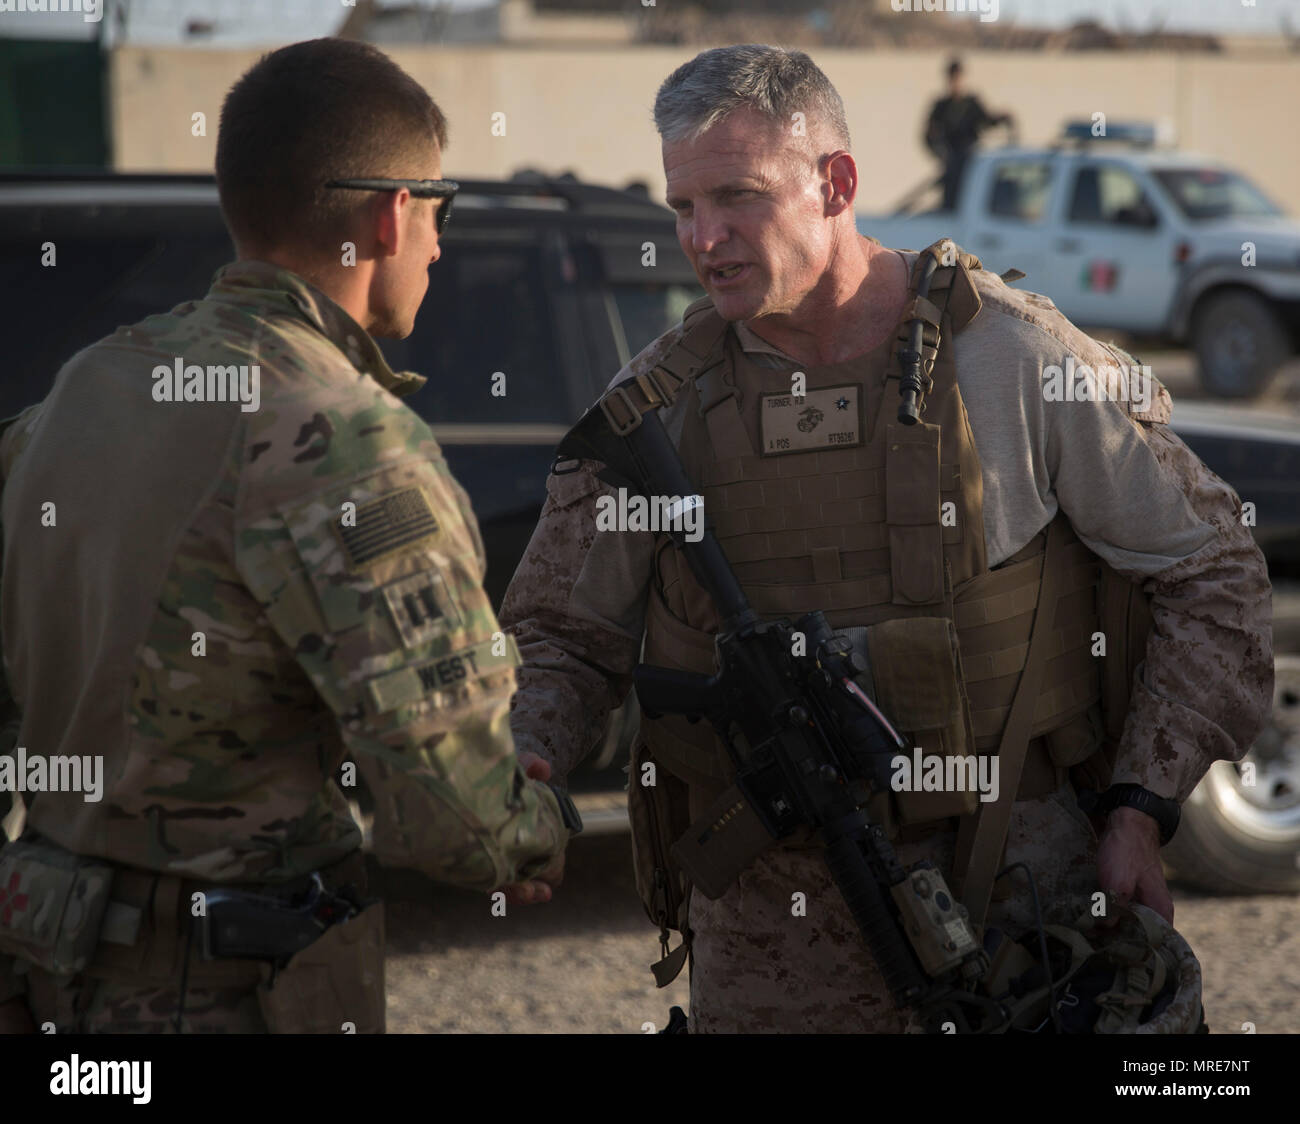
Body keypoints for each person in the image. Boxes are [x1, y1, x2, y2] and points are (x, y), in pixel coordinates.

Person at [499, 44, 1273, 1033]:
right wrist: (529, 757)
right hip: (767, 948)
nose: (704, 239)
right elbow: (557, 634)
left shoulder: (1015, 359)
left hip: (1015, 920)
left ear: (837, 182)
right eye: (682, 209)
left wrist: (1140, 807)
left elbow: (1213, 572)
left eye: (736, 198)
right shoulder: (655, 410)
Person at [0, 37, 570, 1035]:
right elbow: (451, 817)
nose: (440, 245)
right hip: (223, 986)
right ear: (391, 214)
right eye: (440, 210)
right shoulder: (345, 435)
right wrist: (524, 832)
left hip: (49, 963)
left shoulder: (85, 384)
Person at [925, 58, 1013, 210]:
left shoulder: (972, 102)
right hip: (952, 165)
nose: (955, 82)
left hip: (971, 163)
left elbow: (986, 120)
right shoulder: (941, 106)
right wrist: (942, 155)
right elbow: (928, 136)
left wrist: (1001, 118)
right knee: (950, 203)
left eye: (958, 77)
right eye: (953, 78)